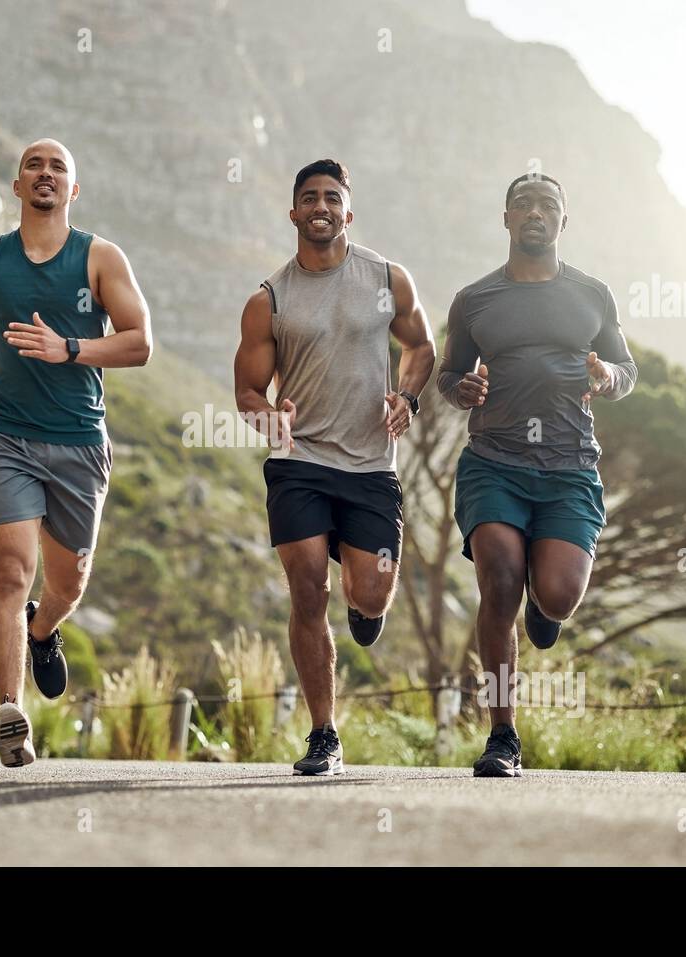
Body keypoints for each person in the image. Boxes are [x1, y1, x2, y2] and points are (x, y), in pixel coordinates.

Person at [0, 138, 151, 767]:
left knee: (68, 583)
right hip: (4, 437)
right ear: (17, 184)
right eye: (35, 164)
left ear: (73, 190)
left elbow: (140, 343)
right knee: (8, 573)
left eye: (59, 167)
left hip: (80, 444)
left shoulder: (101, 259)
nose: (46, 173)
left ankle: (43, 629)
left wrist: (72, 349)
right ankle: (11, 712)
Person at [234, 159, 435, 776]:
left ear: (348, 212)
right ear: (293, 211)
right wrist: (268, 417)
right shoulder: (269, 300)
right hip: (301, 461)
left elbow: (421, 347)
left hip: (372, 466)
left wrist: (407, 396)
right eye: (308, 198)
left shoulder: (387, 279)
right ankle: (324, 735)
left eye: (332, 198)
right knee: (305, 587)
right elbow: (246, 390)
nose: (320, 207)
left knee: (371, 596)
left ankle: (362, 600)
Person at [437, 173, 637, 777]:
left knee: (556, 595)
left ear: (563, 222)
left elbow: (626, 369)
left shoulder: (592, 294)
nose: (534, 213)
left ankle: (544, 611)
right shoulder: (475, 300)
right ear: (505, 218)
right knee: (499, 584)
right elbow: (447, 376)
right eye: (522, 204)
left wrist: (608, 379)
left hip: (569, 468)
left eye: (547, 205)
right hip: (493, 463)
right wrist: (461, 388)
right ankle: (503, 736)